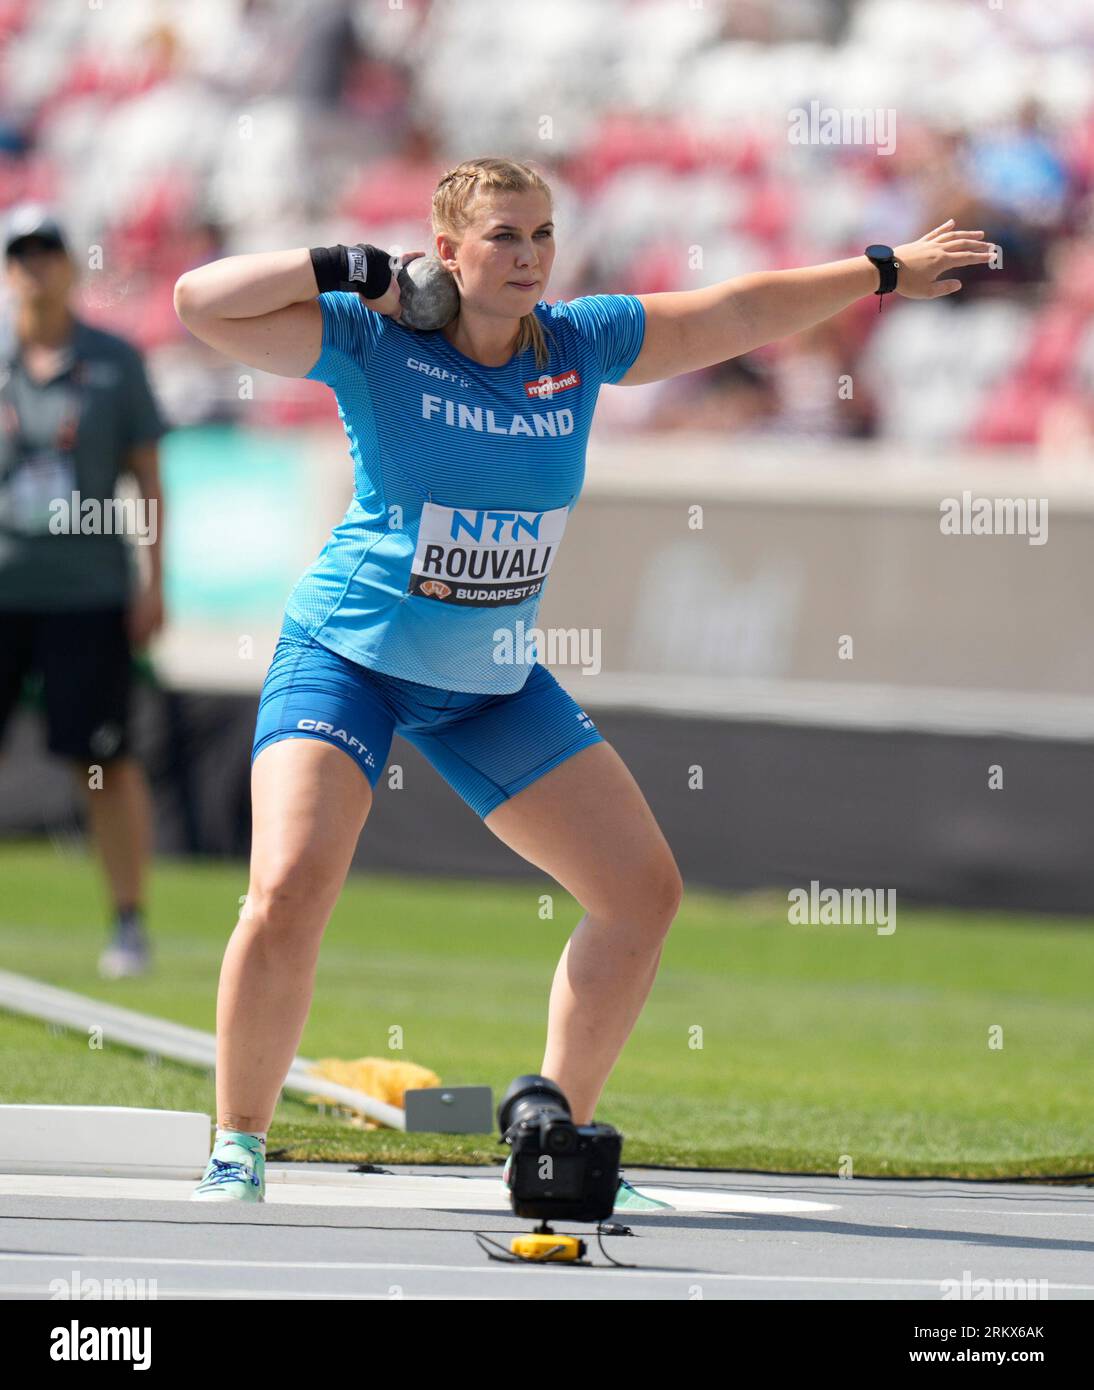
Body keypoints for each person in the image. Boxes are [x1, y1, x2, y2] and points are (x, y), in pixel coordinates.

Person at [173, 157, 993, 1206]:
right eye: (504, 236)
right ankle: (238, 1144)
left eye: (544, 234)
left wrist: (879, 270)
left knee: (640, 895)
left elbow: (734, 311)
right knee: (288, 887)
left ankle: (553, 1136)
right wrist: (346, 266)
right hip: (348, 661)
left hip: (487, 683)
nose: (529, 256)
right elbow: (200, 303)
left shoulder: (579, 344)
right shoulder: (379, 342)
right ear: (447, 249)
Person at [0, 204, 168, 979]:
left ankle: (128, 921)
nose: (35, 265)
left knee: (104, 761)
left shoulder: (114, 361)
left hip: (88, 590)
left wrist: (156, 580)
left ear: (71, 264)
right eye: (22, 253)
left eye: (47, 251)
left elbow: (149, 479)